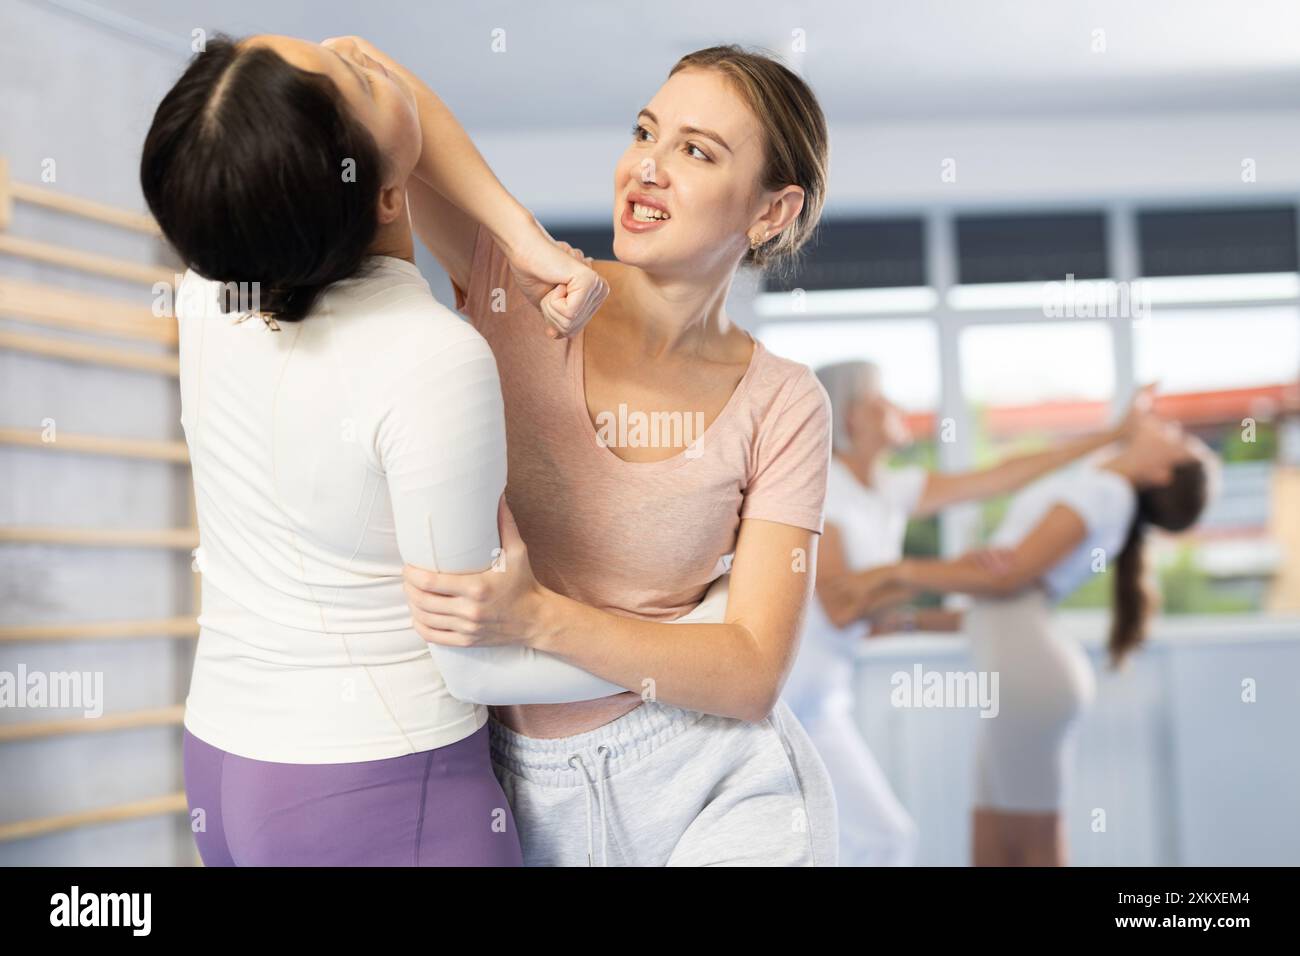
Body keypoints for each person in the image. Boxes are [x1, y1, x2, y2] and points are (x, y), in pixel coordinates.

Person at [141, 33, 622, 865]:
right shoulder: (429, 358)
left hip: (227, 761)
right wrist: (694, 647)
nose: (360, 49)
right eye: (357, 76)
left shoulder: (216, 280)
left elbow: (394, 125)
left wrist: (525, 243)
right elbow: (476, 664)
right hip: (381, 787)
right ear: (387, 202)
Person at [365, 35, 842, 865]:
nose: (647, 167)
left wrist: (539, 619)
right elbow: (358, 74)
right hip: (507, 780)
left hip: (715, 779)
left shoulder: (785, 403)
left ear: (771, 211)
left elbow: (752, 670)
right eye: (645, 131)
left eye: (696, 151)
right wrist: (523, 240)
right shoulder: (523, 289)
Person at [785, 360, 1152, 866]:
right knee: (854, 841)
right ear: (850, 419)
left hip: (823, 702)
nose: (898, 408)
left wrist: (1111, 434)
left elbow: (1002, 476)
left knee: (884, 839)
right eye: (880, 399)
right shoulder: (822, 489)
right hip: (781, 700)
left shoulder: (889, 490)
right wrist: (946, 572)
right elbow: (843, 604)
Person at [827, 412, 1218, 865]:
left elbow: (1007, 579)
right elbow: (996, 606)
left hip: (1031, 682)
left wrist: (893, 571)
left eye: (1179, 440)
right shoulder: (1097, 484)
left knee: (1034, 849)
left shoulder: (1105, 492)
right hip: (1021, 674)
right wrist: (905, 622)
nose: (1173, 428)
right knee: (991, 850)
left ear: (1158, 473)